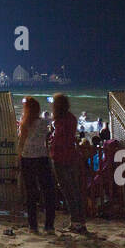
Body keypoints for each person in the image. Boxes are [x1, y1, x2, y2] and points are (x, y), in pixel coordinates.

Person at [17, 96, 56, 233]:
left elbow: (21, 142)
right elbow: (46, 140)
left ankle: (33, 226)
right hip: (42, 158)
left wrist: (18, 156)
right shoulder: (43, 123)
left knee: (31, 193)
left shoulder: (24, 123)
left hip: (27, 158)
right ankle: (49, 225)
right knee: (47, 191)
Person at [50, 94, 86, 232]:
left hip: (61, 157)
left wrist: (52, 143)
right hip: (72, 157)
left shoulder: (61, 120)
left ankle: (75, 221)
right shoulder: (72, 118)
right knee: (75, 190)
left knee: (68, 191)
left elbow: (59, 138)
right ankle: (80, 221)